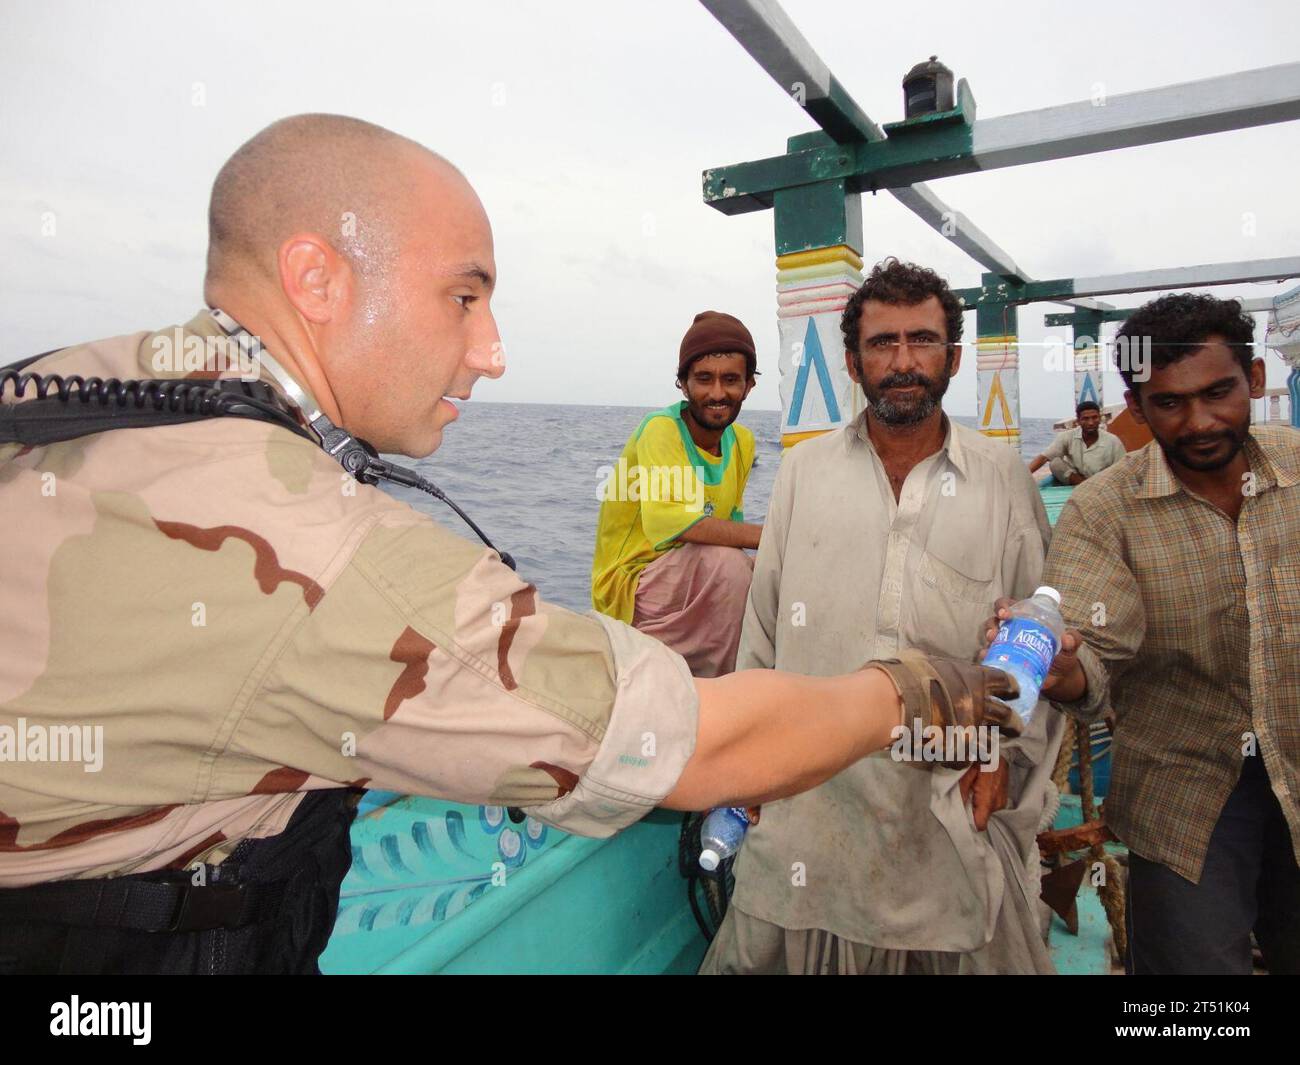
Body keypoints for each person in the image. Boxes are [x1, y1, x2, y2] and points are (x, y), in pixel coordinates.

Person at [0, 115, 1020, 975]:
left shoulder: (72, 388)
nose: (492, 352)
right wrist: (917, 687)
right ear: (313, 277)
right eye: (463, 296)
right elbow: (706, 749)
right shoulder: (314, 558)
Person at [699, 258, 1063, 975]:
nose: (902, 362)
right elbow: (763, 634)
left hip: (943, 816)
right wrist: (745, 766)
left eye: (922, 341)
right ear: (853, 361)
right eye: (882, 343)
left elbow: (1036, 639)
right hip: (808, 800)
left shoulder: (1002, 480)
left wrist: (1003, 759)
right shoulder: (804, 473)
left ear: (952, 358)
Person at [1022, 292, 1300, 974]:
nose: (1200, 421)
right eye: (1170, 403)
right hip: (1185, 792)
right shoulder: (1101, 510)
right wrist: (1063, 666)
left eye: (1219, 393)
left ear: (1255, 380)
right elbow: (1090, 639)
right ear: (1137, 408)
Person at [591, 311, 762, 676]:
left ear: (749, 385)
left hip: (691, 578)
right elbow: (673, 523)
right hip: (632, 584)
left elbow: (729, 528)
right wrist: (777, 535)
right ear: (683, 385)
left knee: (766, 571)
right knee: (731, 568)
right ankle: (723, 688)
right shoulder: (661, 430)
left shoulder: (743, 443)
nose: (717, 393)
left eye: (731, 380)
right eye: (703, 379)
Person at [1028, 400, 1125, 485]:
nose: (1091, 423)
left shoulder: (1113, 441)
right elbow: (1043, 458)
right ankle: (1084, 485)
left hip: (1103, 483)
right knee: (1055, 463)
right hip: (1077, 481)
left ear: (1100, 418)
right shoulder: (1067, 436)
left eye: (1094, 417)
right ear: (1078, 421)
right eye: (1085, 419)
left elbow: (1123, 469)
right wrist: (1020, 477)